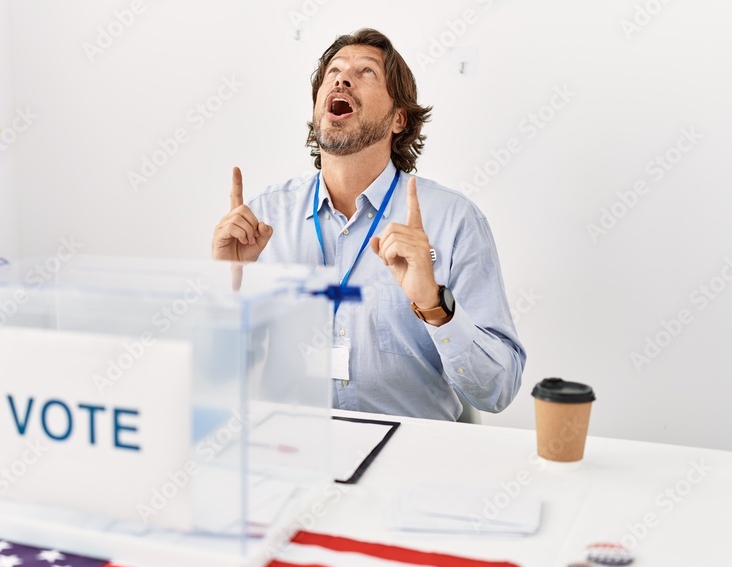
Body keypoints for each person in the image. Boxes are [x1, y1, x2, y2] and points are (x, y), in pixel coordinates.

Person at [211, 28, 525, 421]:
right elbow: (216, 377)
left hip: (410, 462)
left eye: (366, 73)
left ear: (398, 119)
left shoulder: (453, 221)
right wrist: (227, 281)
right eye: (334, 72)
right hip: (293, 453)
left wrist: (434, 305)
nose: (342, 78)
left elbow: (498, 390)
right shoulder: (262, 222)